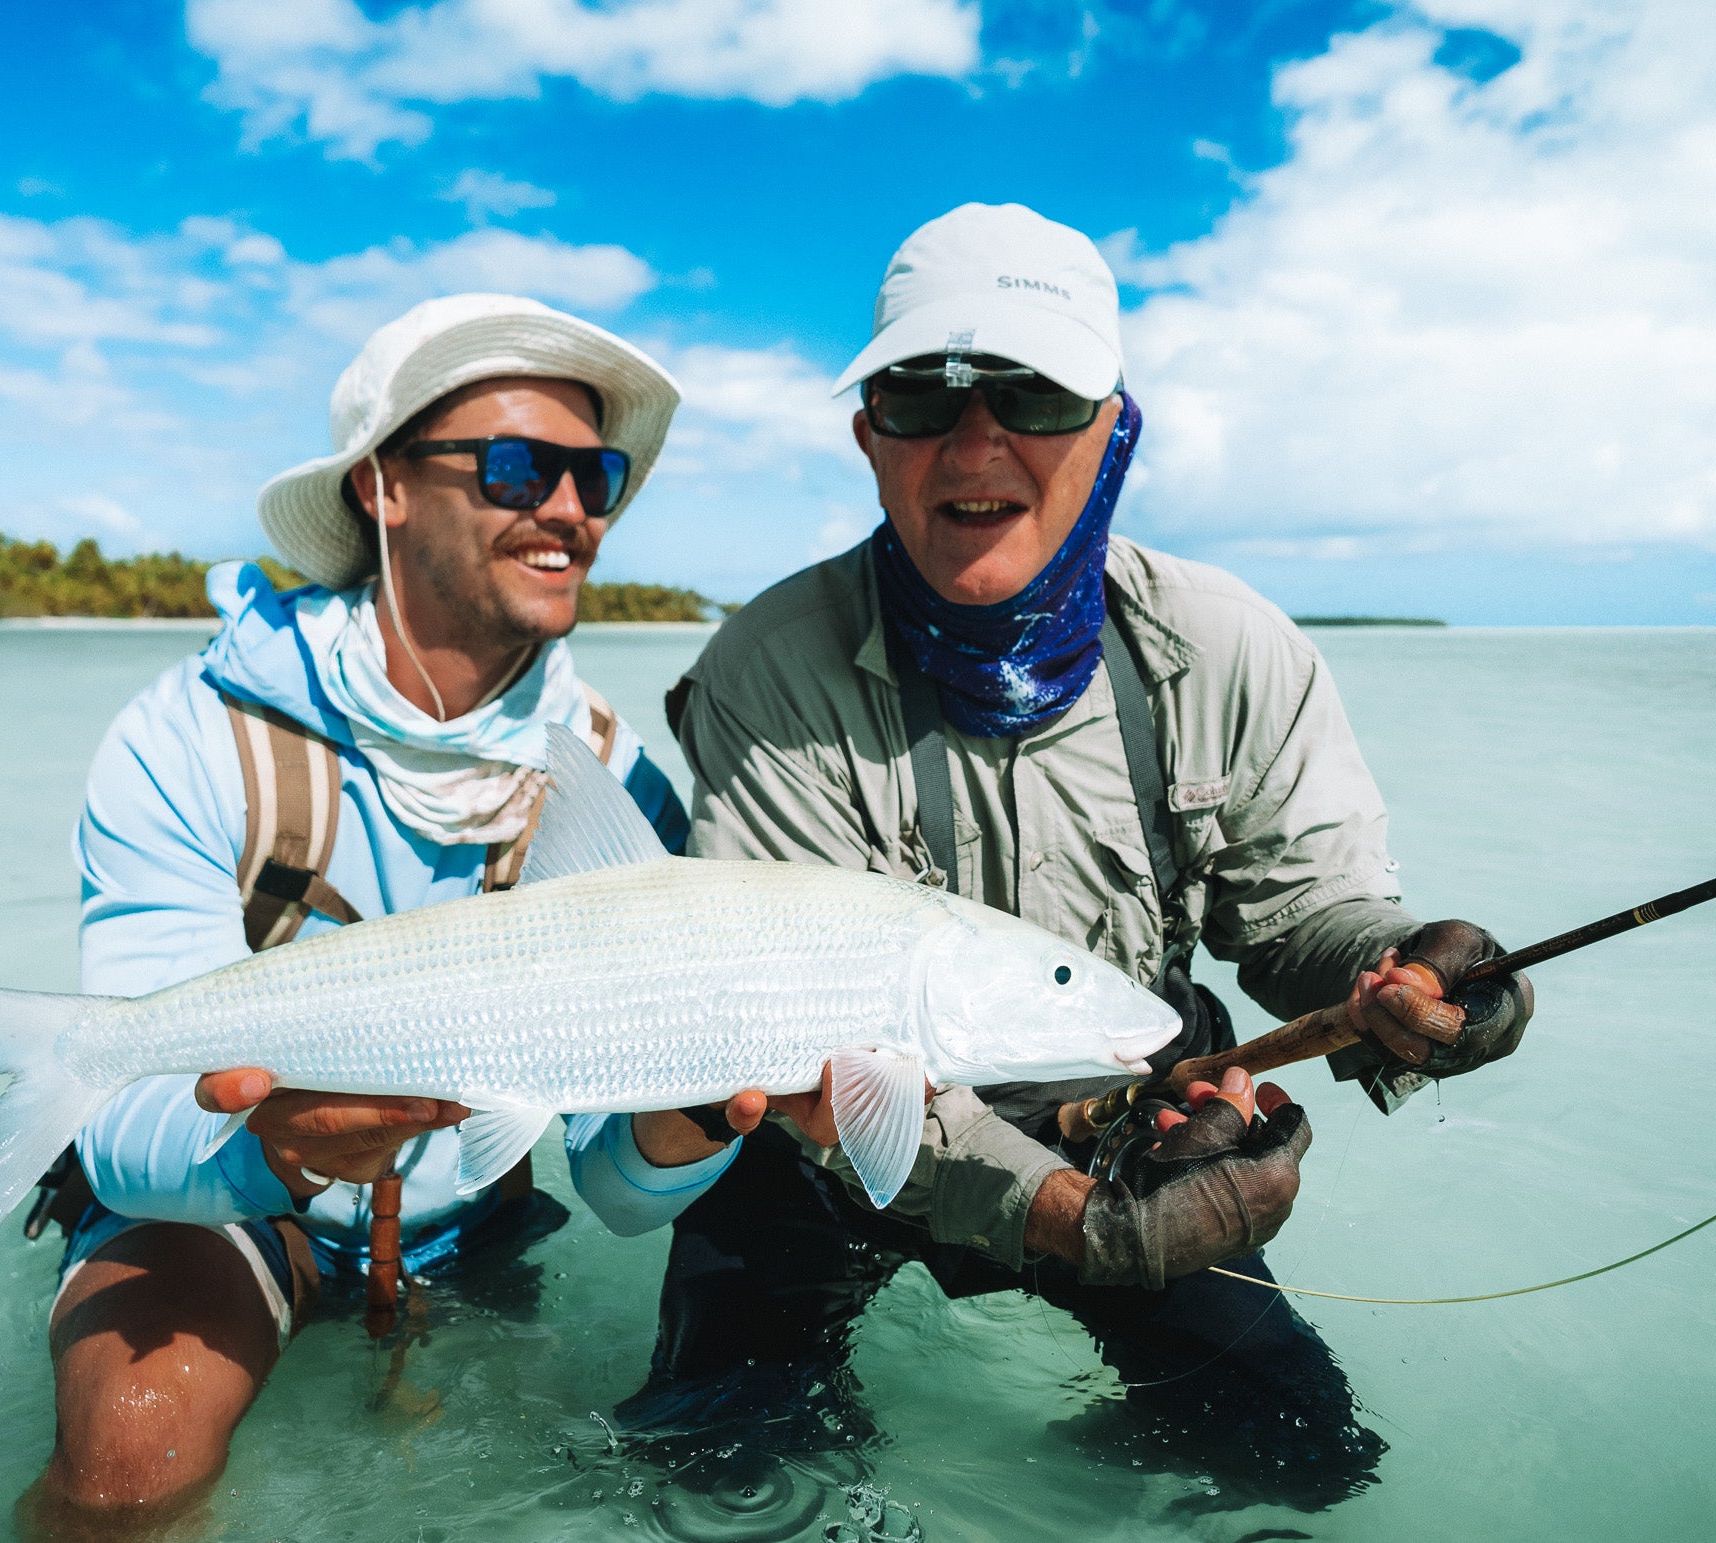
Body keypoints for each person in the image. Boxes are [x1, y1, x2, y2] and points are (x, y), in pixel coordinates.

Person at [574, 204, 1534, 1503]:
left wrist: (1400, 980)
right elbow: (801, 1041)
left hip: (1131, 1115)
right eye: (923, 395)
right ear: (870, 436)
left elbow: (1306, 910)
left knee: (1299, 1458)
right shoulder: (770, 668)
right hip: (823, 1134)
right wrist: (1063, 1219)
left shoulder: (1230, 647)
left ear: (1110, 425)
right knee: (711, 1467)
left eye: (1034, 393)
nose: (977, 442)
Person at [32, 294, 730, 1522]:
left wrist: (697, 1119)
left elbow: (616, 1188)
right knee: (128, 1469)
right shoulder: (192, 739)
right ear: (381, 488)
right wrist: (289, 1144)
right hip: (220, 1202)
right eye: (519, 465)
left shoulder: (618, 785)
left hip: (476, 1222)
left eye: (597, 473)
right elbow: (126, 1135)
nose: (568, 508)